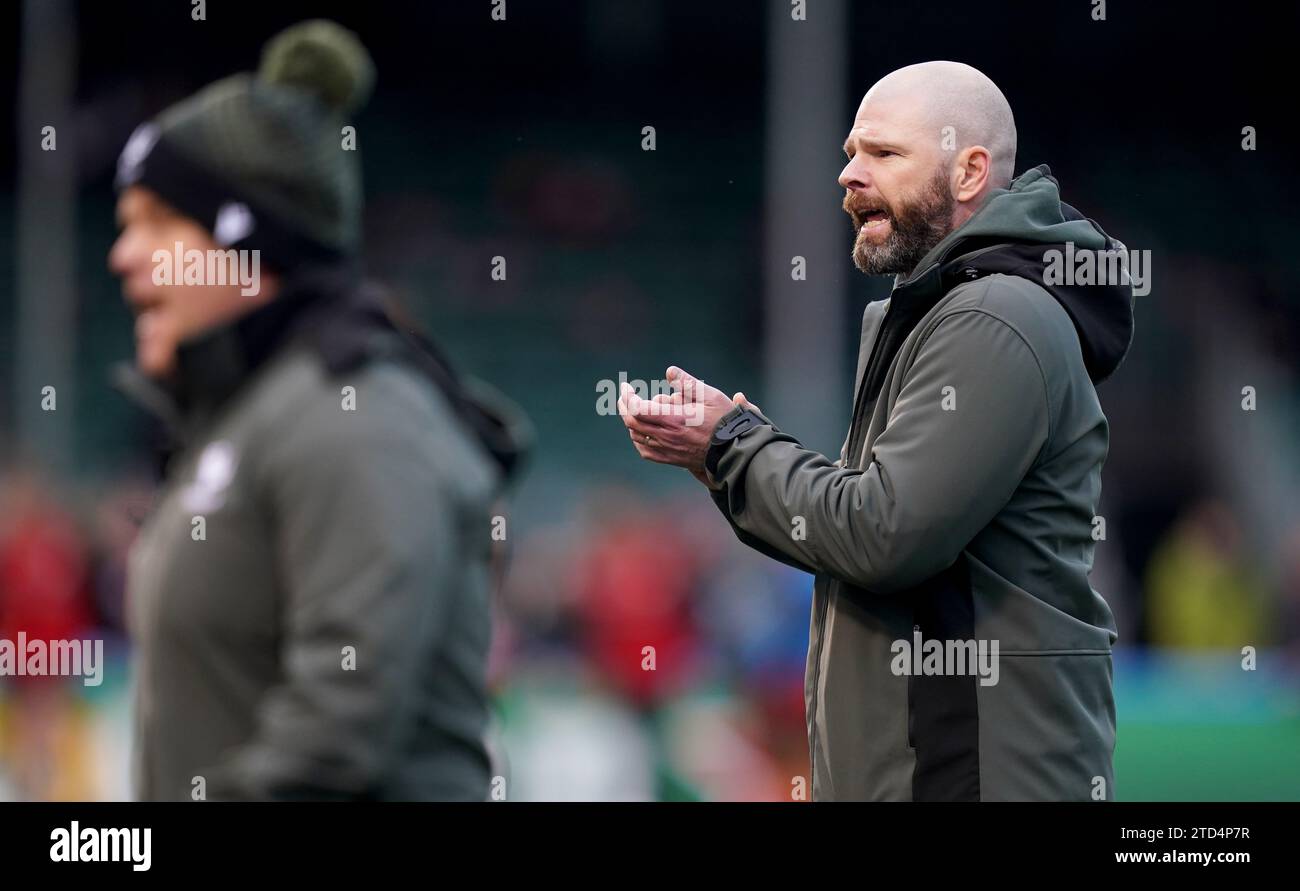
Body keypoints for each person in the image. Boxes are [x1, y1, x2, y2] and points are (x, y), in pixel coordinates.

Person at [619, 61, 1134, 801]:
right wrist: (732, 446)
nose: (851, 175)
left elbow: (884, 532)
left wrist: (731, 447)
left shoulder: (995, 317)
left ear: (969, 172)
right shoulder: (950, 310)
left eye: (885, 154)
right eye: (850, 155)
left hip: (975, 777)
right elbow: (877, 517)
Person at [110, 20, 528, 800]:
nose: (123, 254)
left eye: (158, 225)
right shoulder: (254, 419)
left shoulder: (358, 414)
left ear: (251, 238)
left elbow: (334, 737)